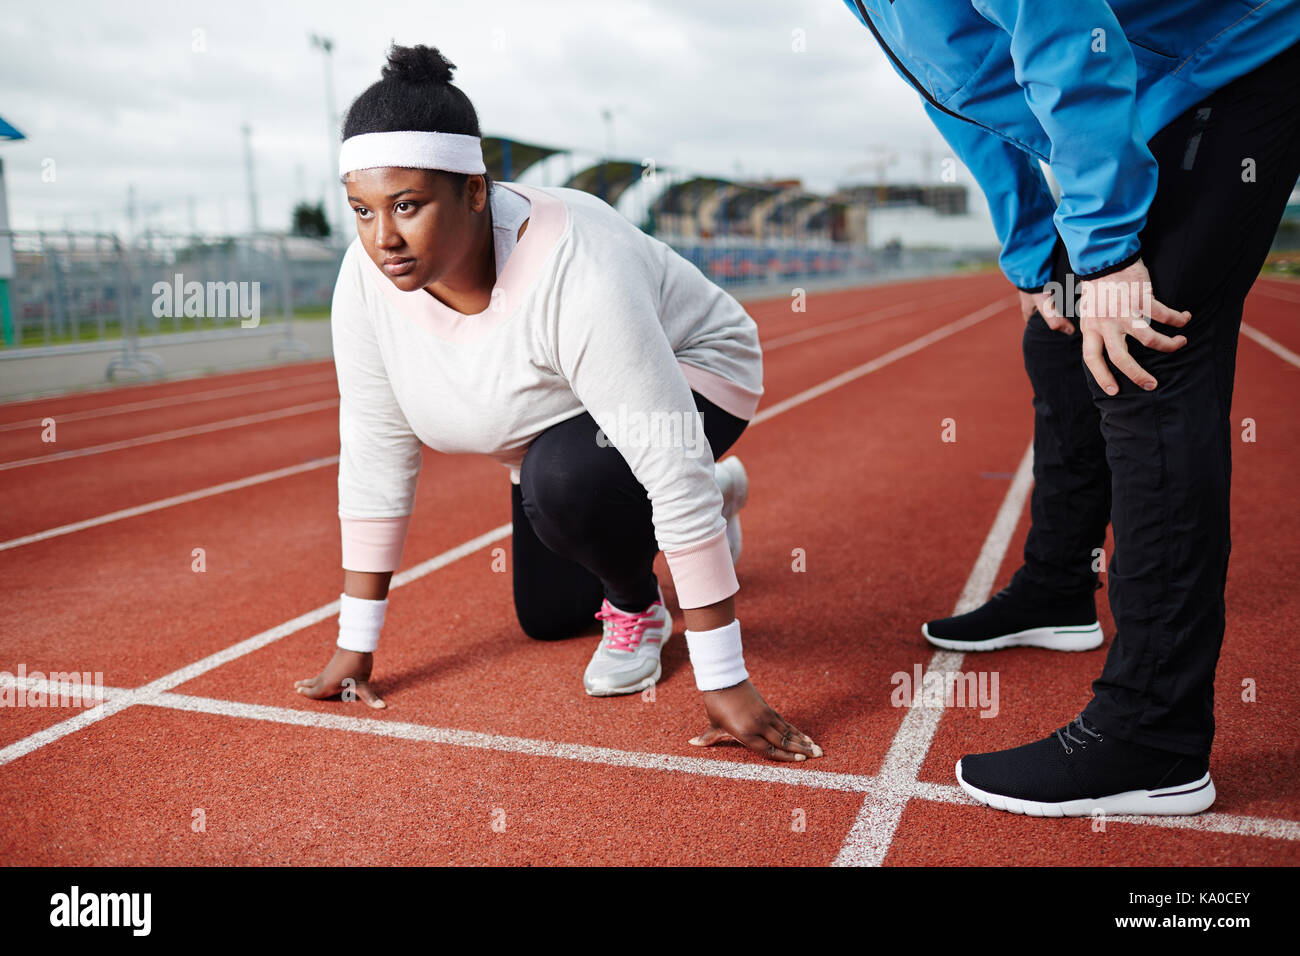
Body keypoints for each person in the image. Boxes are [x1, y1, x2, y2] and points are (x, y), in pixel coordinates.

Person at [293, 44, 822, 764]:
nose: (383, 238)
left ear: (475, 191)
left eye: (408, 206)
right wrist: (355, 646)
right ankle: (712, 503)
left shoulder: (579, 266)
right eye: (362, 210)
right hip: (561, 426)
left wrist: (723, 679)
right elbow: (376, 450)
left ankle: (640, 606)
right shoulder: (366, 279)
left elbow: (669, 462)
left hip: (695, 376)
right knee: (549, 618)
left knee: (567, 485)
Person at [842, 0, 1300, 814]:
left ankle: (1154, 736)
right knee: (1058, 334)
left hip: (1238, 56)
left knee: (1148, 356)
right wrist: (1034, 255)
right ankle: (1058, 587)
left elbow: (1060, 27)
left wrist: (1110, 247)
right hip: (1155, 84)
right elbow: (956, 91)